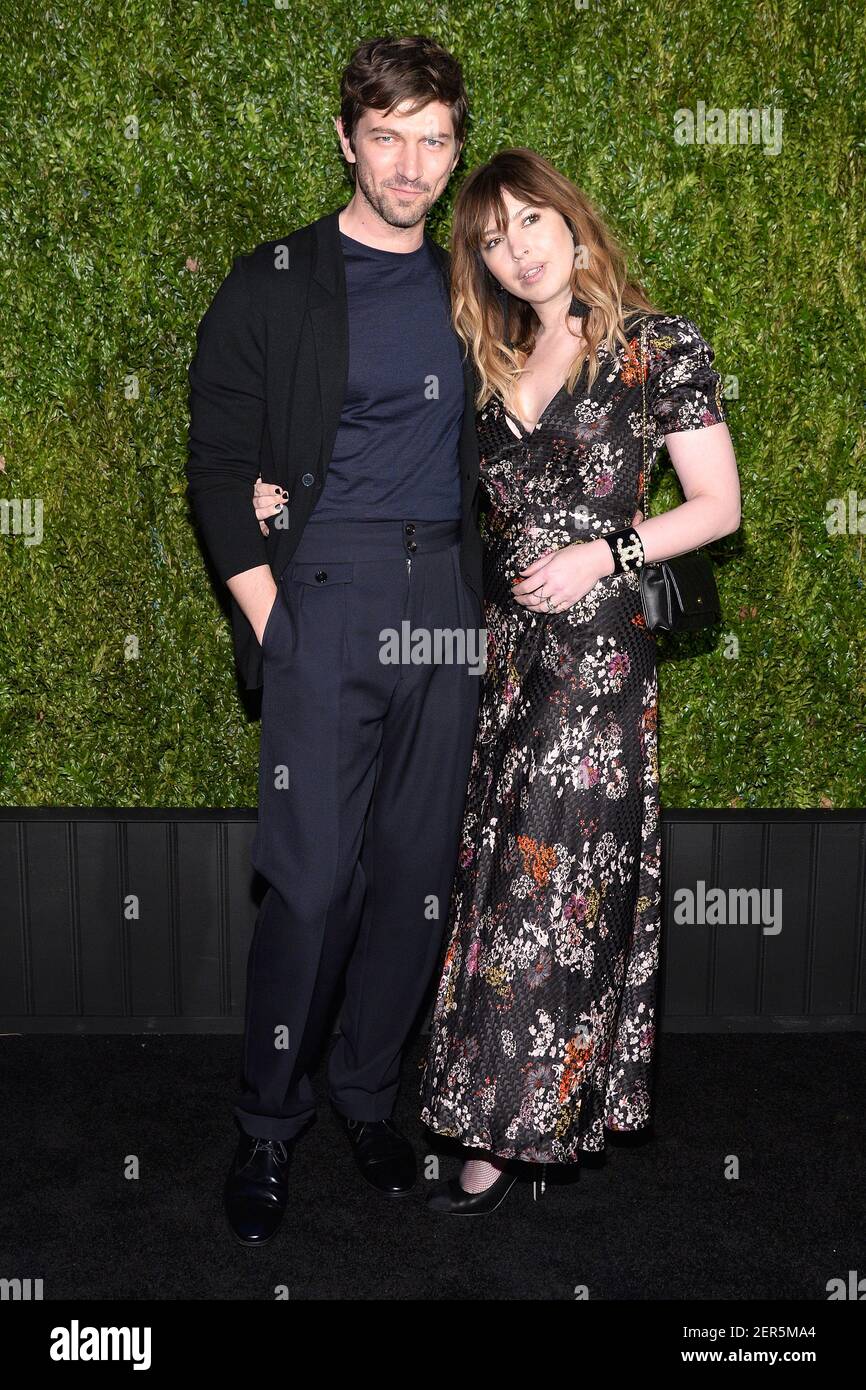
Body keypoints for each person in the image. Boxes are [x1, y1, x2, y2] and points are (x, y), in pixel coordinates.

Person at [186, 34, 486, 1247]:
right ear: (345, 141)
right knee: (310, 884)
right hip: (323, 597)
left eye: (433, 140)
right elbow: (217, 472)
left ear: (453, 146)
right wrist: (277, 619)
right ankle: (267, 1126)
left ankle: (367, 1094)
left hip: (446, 605)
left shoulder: (474, 282)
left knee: (415, 878)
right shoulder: (271, 284)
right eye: (388, 138)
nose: (411, 165)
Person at [416, 148, 741, 1213]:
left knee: (549, 886)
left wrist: (602, 553)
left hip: (596, 662)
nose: (515, 249)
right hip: (507, 662)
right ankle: (510, 1113)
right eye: (492, 238)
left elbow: (714, 506)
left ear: (569, 219)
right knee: (500, 879)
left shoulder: (656, 346)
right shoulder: (493, 362)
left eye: (528, 222)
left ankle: (506, 1140)